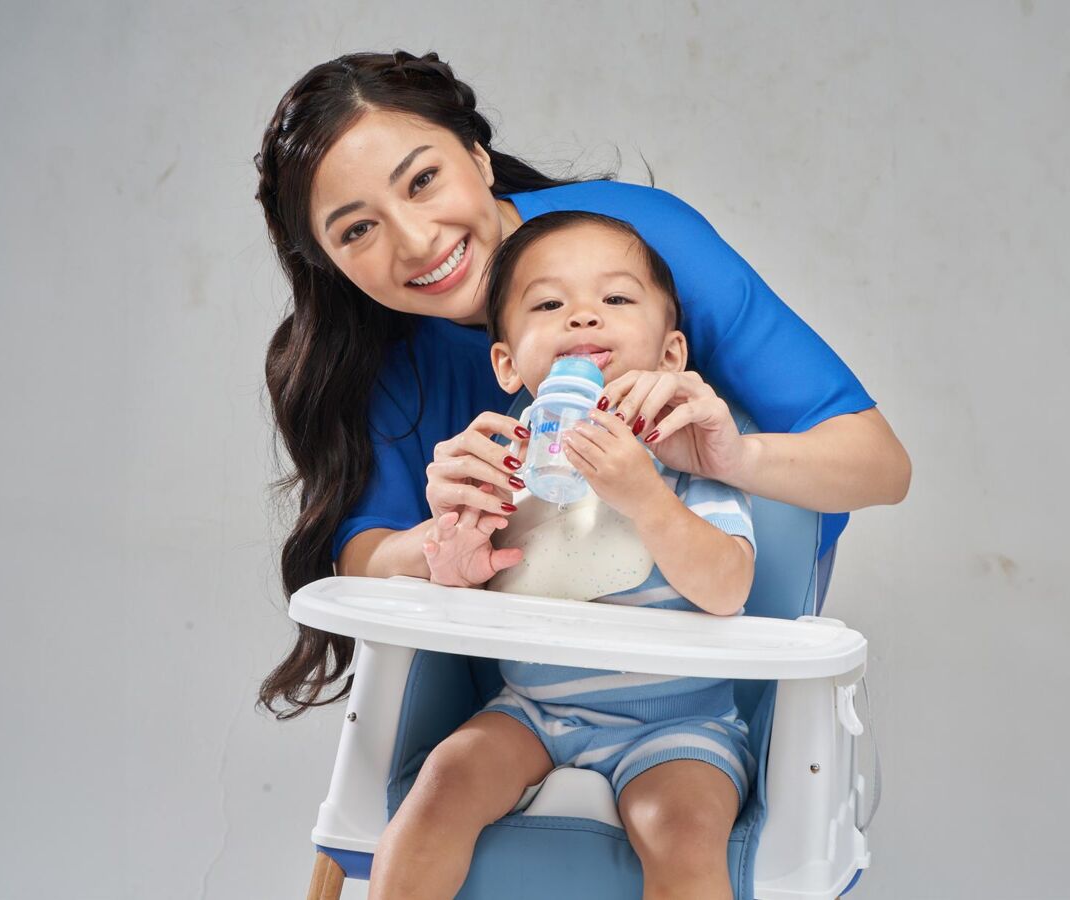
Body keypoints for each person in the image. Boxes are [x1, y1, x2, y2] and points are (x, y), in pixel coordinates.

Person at [253, 50, 911, 716]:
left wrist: (732, 459)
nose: (417, 241)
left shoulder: (637, 247)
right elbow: (364, 555)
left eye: (422, 180)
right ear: (330, 261)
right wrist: (437, 535)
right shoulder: (380, 353)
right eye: (358, 229)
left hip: (727, 635)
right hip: (531, 665)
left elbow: (880, 465)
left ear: (477, 157)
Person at [371, 210, 757, 898]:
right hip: (532, 709)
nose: (582, 318)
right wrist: (456, 563)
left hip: (678, 723)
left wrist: (647, 498)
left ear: (671, 355)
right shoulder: (500, 467)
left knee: (685, 834)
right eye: (550, 304)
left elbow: (727, 589)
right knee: (439, 788)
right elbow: (475, 596)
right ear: (507, 363)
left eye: (614, 299)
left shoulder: (688, 462)